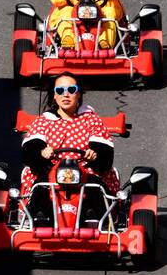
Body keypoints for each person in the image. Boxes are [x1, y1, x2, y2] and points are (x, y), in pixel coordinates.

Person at [20, 74, 120, 223]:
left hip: (85, 173)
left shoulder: (91, 119)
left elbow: (104, 153)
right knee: (40, 186)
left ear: (78, 94)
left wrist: (95, 155)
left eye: (71, 90)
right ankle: (33, 217)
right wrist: (41, 153)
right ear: (54, 95)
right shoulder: (44, 120)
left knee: (97, 187)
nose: (65, 94)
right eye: (60, 90)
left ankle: (104, 219)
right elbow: (30, 149)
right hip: (51, 172)